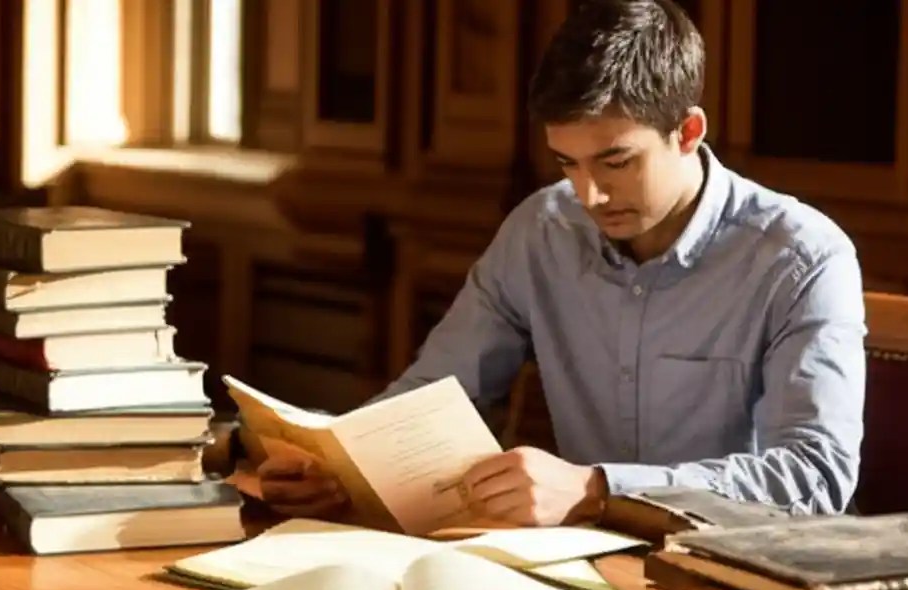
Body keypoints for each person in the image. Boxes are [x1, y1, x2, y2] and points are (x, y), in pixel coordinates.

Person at [258, 0, 866, 527]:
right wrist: (341, 466)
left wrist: (597, 490)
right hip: (587, 569)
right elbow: (435, 394)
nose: (589, 196)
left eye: (615, 161)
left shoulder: (803, 259)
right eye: (566, 164)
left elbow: (815, 479)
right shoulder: (542, 232)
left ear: (687, 131)